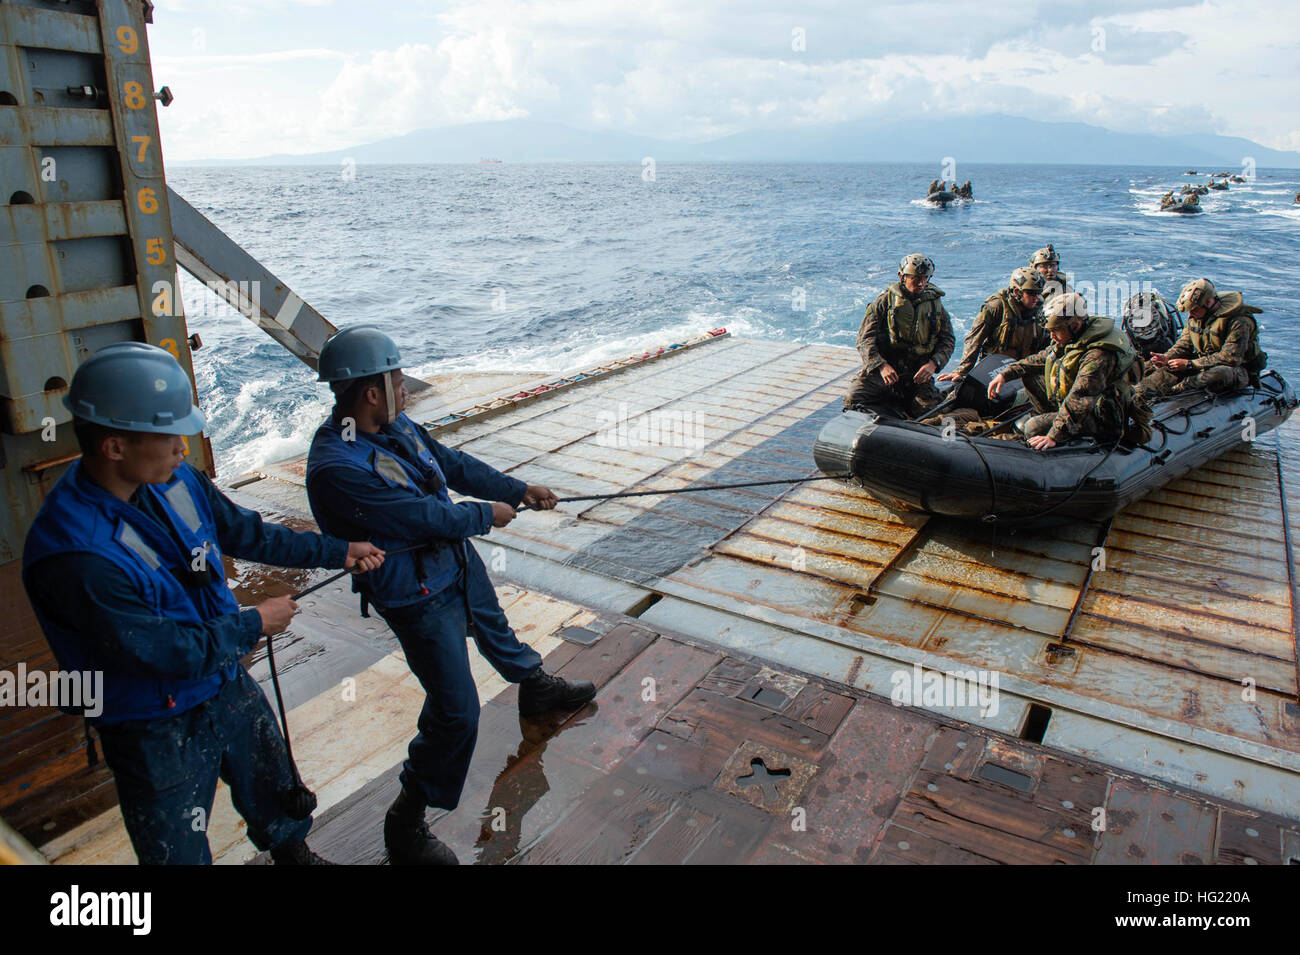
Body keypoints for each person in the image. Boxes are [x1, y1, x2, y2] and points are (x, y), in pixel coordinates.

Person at [21, 342, 385, 865]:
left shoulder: (177, 480)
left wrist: (337, 550)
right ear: (115, 446)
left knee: (271, 782)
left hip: (221, 678)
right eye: (168, 435)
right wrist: (253, 624)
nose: (182, 447)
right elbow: (156, 653)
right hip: (150, 722)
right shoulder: (76, 553)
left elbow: (245, 533)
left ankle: (291, 850)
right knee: (175, 848)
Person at [303, 326, 597, 866]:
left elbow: (448, 461)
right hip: (416, 594)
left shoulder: (393, 426)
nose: (405, 388)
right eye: (397, 378)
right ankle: (407, 819)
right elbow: (423, 516)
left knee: (493, 624)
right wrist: (486, 514)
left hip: (452, 561)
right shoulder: (336, 468)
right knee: (457, 710)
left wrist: (514, 488)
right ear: (371, 392)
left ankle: (534, 687)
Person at [987, 292, 1140, 450]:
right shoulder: (1076, 336)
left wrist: (1054, 435)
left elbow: (1080, 397)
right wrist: (1005, 374)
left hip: (1103, 417)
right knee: (1029, 376)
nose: (1052, 336)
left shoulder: (1098, 356)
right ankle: (1051, 419)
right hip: (1084, 405)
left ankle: (1058, 431)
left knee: (1032, 427)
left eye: (1056, 330)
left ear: (1075, 325)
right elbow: (1042, 358)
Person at [844, 254, 955, 418]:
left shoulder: (934, 305)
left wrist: (934, 363)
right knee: (853, 398)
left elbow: (948, 340)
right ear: (902, 277)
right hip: (887, 369)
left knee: (926, 411)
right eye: (916, 278)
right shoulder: (884, 303)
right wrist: (881, 365)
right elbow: (864, 340)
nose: (921, 283)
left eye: (925, 278)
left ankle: (941, 396)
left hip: (917, 372)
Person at [1136, 278, 1266, 400]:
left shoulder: (1239, 321)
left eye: (1194, 310)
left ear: (1208, 302)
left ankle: (1178, 390)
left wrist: (1189, 364)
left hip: (1236, 370)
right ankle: (1139, 392)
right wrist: (1167, 358)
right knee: (1151, 367)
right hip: (1201, 363)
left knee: (1219, 373)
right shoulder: (1197, 315)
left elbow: (1230, 358)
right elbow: (1184, 344)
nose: (1191, 314)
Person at [939, 267, 1048, 384]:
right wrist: (962, 371)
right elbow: (975, 340)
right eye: (1031, 294)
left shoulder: (1040, 309)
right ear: (1017, 292)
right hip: (996, 367)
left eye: (1038, 293)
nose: (1036, 298)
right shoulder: (996, 307)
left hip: (1025, 367)